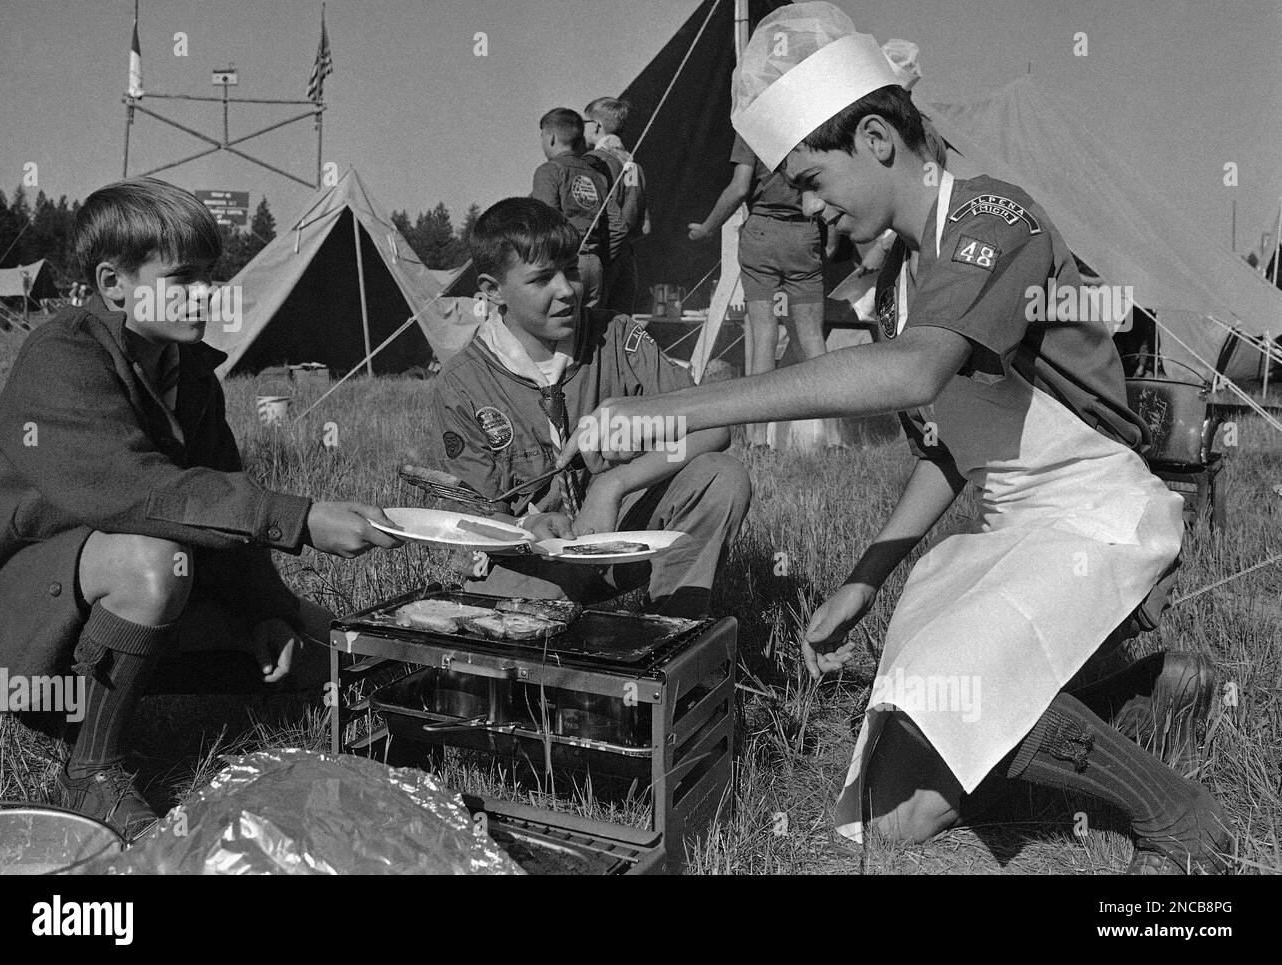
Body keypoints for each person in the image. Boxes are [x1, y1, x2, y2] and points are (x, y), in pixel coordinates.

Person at [563, 3, 1229, 874]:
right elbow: (948, 447)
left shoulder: (997, 218)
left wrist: (690, 409)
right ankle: (1139, 690)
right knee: (895, 811)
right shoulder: (910, 276)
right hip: (1015, 526)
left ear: (876, 138)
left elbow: (914, 375)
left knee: (963, 682)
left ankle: (1180, 817)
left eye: (810, 180)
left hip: (1093, 515)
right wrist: (864, 581)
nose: (809, 211)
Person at [0, 177, 402, 837]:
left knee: (320, 636)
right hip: (18, 600)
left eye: (210, 276)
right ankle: (88, 769)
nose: (207, 294)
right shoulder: (62, 357)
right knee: (157, 566)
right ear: (114, 283)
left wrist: (268, 607)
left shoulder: (191, 374)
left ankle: (397, 731)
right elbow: (141, 492)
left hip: (101, 581)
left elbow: (213, 489)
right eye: (183, 277)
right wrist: (302, 516)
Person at [425, 197, 750, 618]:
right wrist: (527, 529)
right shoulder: (461, 385)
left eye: (572, 270)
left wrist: (614, 485)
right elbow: (468, 516)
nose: (566, 290)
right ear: (492, 290)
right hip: (532, 564)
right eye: (542, 279)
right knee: (514, 633)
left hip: (621, 533)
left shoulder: (617, 338)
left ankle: (670, 629)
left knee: (720, 476)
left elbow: (712, 428)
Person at [689, 129, 829, 446]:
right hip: (804, 233)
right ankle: (832, 435)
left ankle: (757, 437)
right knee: (811, 337)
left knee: (763, 333)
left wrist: (708, 228)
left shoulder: (753, 129)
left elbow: (739, 187)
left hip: (762, 232)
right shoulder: (812, 127)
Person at [532, 107, 613, 312]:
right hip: (595, 264)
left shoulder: (548, 171)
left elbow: (545, 224)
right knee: (588, 331)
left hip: (565, 265)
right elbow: (615, 223)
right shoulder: (598, 176)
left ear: (551, 138)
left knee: (558, 334)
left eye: (542, 137)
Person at [584, 97, 649, 315]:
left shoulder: (593, 162)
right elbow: (644, 225)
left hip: (601, 260)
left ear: (596, 126)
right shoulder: (633, 165)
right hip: (627, 262)